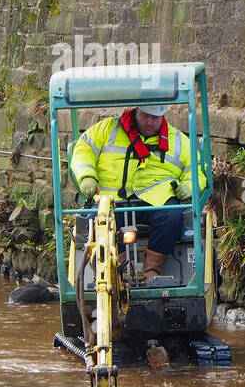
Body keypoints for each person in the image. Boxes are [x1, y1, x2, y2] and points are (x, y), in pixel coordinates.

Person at [70, 104, 205, 284]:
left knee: (173, 216)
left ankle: (151, 272)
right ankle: (120, 268)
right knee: (96, 220)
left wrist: (188, 186)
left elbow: (196, 171)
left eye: (155, 118)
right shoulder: (106, 129)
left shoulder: (179, 141)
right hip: (111, 202)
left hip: (155, 202)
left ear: (163, 116)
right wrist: (86, 176)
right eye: (145, 116)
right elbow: (82, 151)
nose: (150, 122)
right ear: (136, 111)